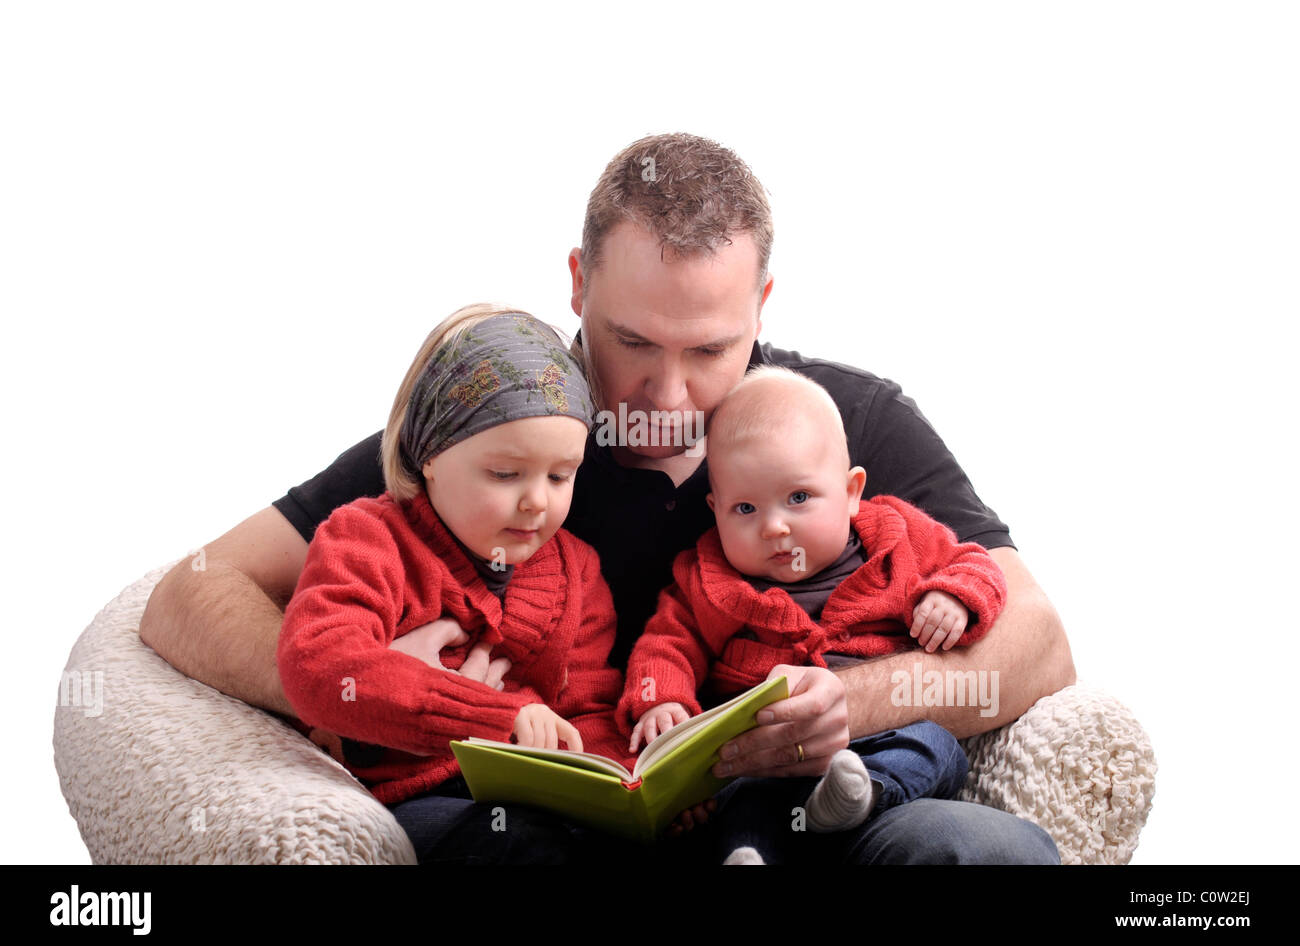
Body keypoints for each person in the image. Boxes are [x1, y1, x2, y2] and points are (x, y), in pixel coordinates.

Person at [140, 132, 1072, 864]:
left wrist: (845, 705)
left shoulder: (844, 419)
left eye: (709, 350)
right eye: (632, 342)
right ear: (578, 285)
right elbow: (192, 590)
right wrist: (366, 692)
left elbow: (1041, 644)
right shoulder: (507, 417)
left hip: (827, 802)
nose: (667, 400)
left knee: (985, 849)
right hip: (561, 827)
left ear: (763, 304)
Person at [276, 305, 633, 859]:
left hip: (551, 800)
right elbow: (318, 665)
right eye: (505, 474)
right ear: (432, 456)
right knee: (519, 846)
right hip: (422, 798)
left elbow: (589, 703)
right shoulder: (369, 539)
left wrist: (621, 782)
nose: (537, 500)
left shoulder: (577, 570)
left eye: (561, 476)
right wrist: (491, 715)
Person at [619, 367, 1010, 863]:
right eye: (745, 509)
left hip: (878, 740)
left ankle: (861, 795)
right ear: (714, 509)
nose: (774, 527)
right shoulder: (709, 579)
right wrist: (661, 702)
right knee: (735, 799)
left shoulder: (898, 538)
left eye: (798, 498)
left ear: (851, 492)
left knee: (934, 745)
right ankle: (748, 856)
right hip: (767, 759)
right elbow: (665, 644)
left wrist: (952, 595)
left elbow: (974, 561)